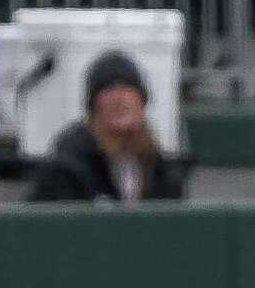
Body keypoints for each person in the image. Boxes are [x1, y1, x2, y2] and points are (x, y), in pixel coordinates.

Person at [26, 50, 185, 203]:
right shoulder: (67, 168)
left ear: (142, 103)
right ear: (93, 107)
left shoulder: (161, 170)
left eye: (127, 88)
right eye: (108, 89)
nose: (119, 98)